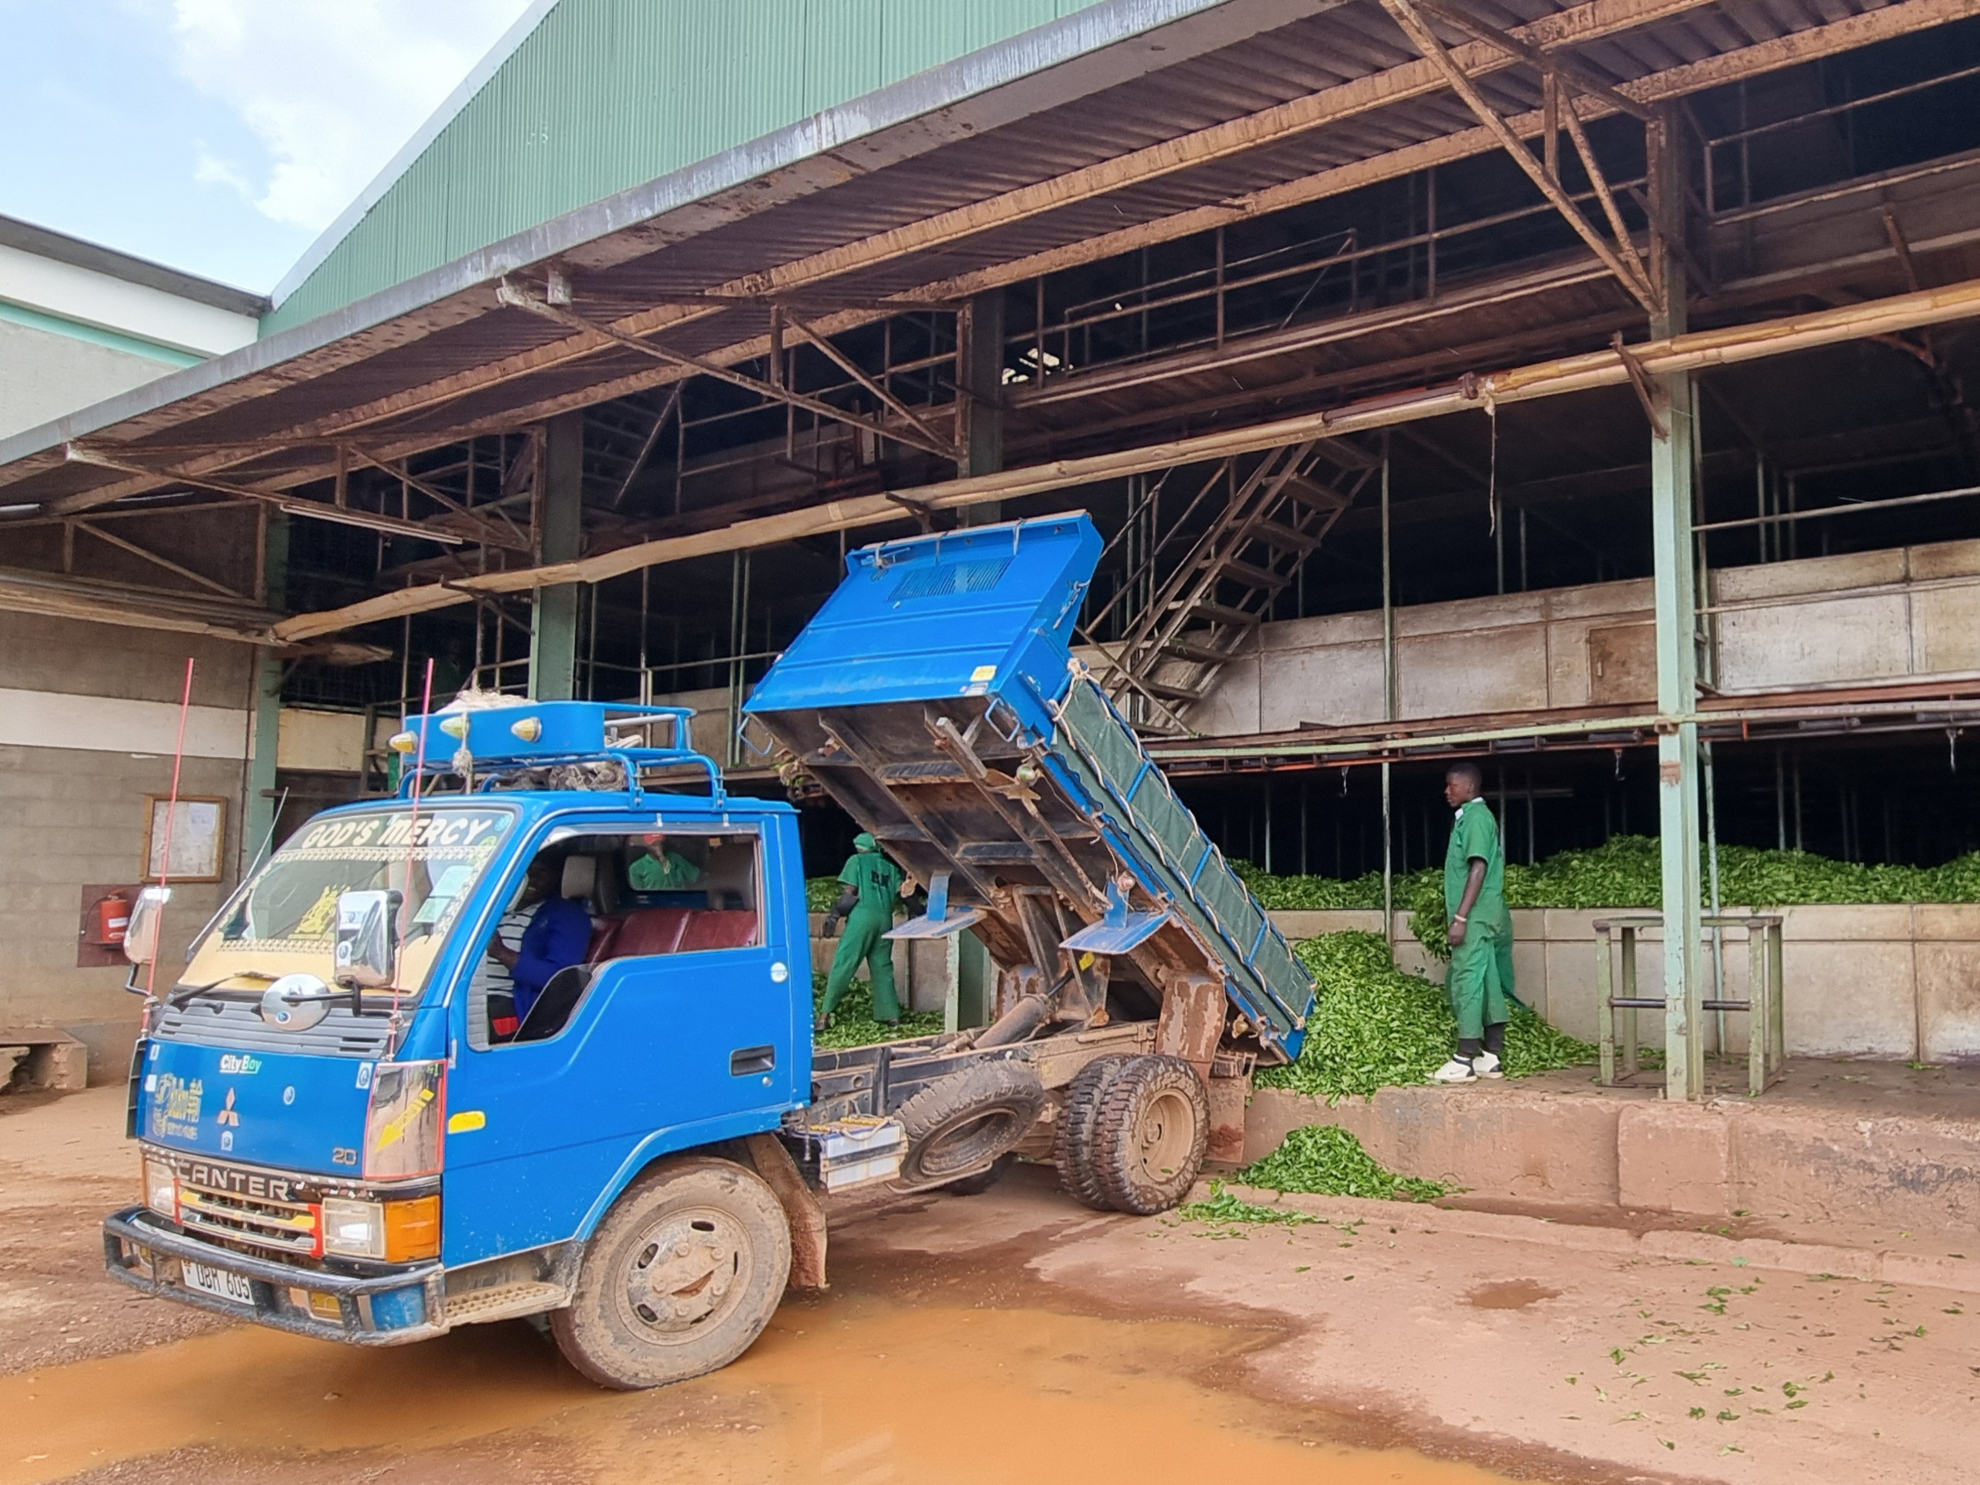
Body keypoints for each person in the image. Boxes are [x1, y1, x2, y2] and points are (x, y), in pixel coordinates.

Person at [1431, 762, 1516, 1084]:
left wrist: (1460, 917)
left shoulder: (1477, 818)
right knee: (1488, 981)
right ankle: (1491, 1056)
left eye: (1452, 785)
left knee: (1466, 981)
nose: (1447, 791)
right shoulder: (1472, 817)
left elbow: (1478, 867)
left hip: (1476, 918)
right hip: (1485, 915)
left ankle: (1463, 1059)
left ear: (1469, 787)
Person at [816, 832, 910, 1031]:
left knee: (844, 962)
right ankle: (891, 1016)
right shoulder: (890, 867)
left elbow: (850, 893)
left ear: (861, 847)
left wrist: (834, 916)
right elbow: (903, 894)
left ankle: (824, 1015)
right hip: (885, 919)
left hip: (862, 918)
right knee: (883, 967)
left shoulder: (856, 861)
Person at [485, 855, 591, 1024]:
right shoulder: (493, 908)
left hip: (509, 1006)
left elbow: (562, 980)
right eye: (527, 870)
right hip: (468, 996)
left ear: (557, 875)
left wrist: (502, 953)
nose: (533, 878)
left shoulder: (567, 916)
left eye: (542, 871)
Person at [629, 833, 701, 892]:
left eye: (660, 843)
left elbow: (695, 877)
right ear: (647, 846)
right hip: (654, 905)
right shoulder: (636, 867)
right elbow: (638, 894)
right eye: (654, 844)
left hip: (679, 901)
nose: (658, 847)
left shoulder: (675, 858)